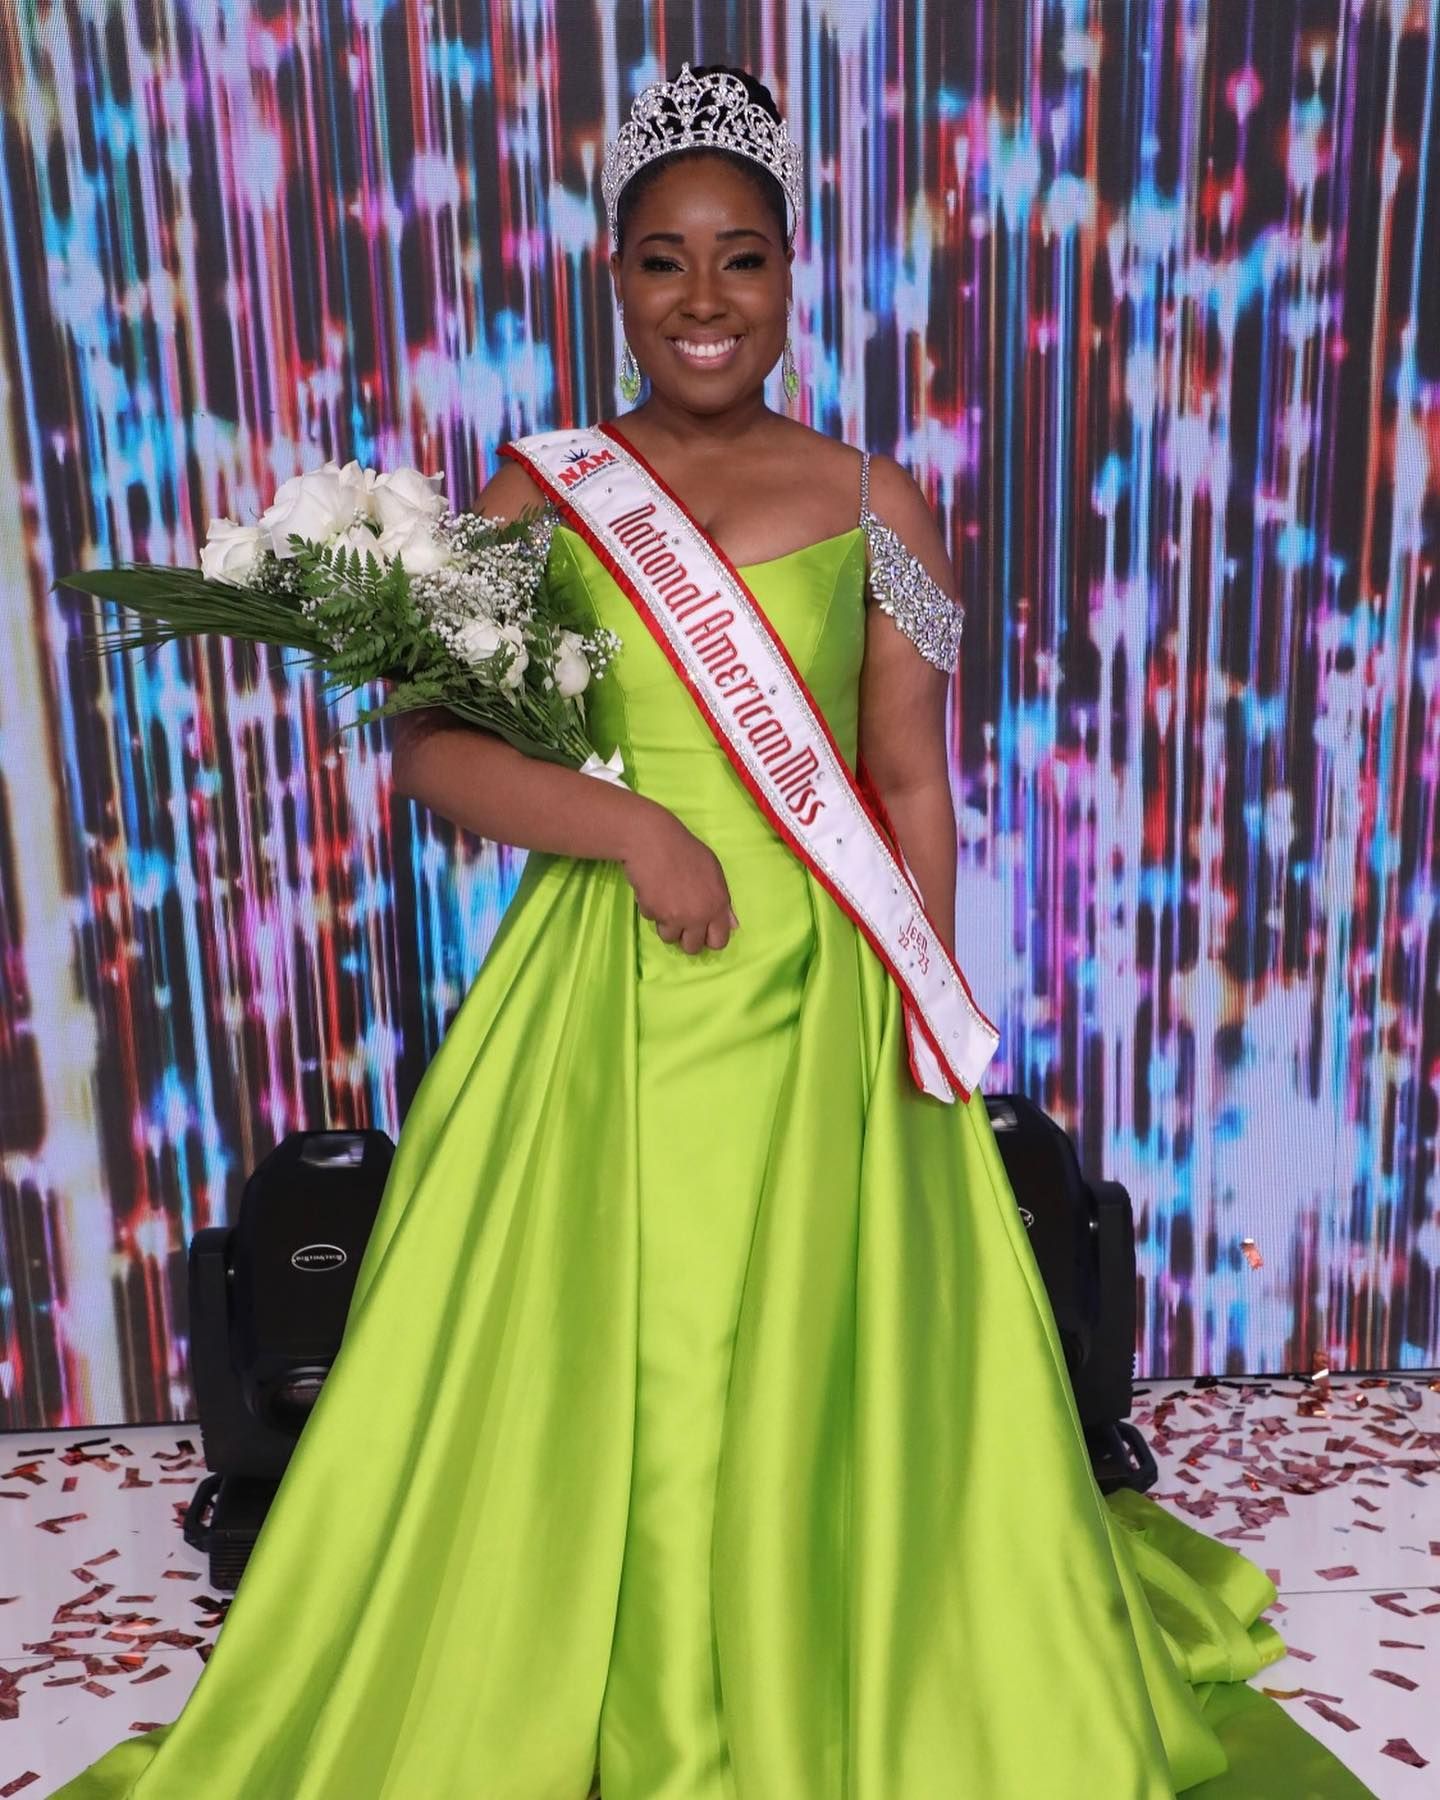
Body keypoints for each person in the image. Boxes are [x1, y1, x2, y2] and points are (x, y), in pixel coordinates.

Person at [55, 61, 1374, 1800]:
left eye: (739, 258)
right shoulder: (539, 501)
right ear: (613, 279)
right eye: (664, 259)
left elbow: (908, 783)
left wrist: (926, 1017)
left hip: (822, 991)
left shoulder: (885, 508)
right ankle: (598, 1659)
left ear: (789, 276)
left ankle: (814, 1635)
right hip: (606, 991)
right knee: (618, 1347)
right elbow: (435, 751)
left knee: (815, 1354)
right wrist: (629, 827)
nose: (702, 298)